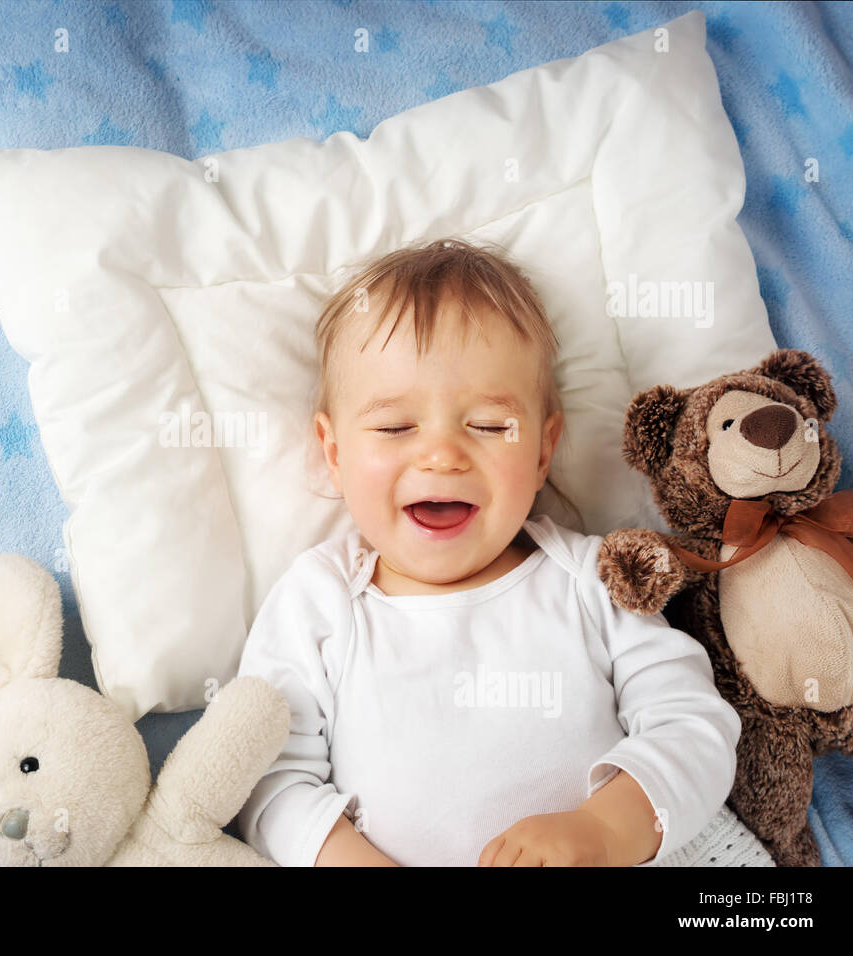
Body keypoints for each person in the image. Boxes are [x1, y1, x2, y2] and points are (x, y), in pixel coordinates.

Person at [235, 237, 761, 866]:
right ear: (335, 451)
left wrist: (604, 831)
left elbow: (694, 726)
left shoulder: (594, 580)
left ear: (543, 449)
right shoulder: (317, 601)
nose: (442, 455)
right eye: (396, 427)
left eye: (488, 426)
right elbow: (265, 783)